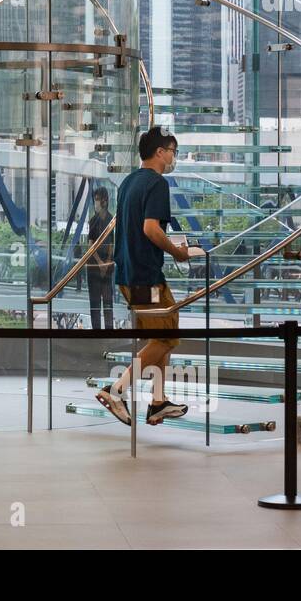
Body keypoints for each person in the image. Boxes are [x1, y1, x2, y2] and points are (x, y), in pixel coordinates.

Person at [95, 126, 191, 427]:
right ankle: (116, 390)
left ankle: (158, 402)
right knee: (166, 337)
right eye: (172, 150)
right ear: (160, 152)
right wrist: (177, 252)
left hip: (129, 272)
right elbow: (151, 229)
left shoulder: (128, 183)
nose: (173, 156)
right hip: (145, 276)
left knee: (163, 335)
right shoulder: (157, 183)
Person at [85, 187, 115, 331]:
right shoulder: (93, 220)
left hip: (106, 266)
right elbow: (91, 246)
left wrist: (106, 262)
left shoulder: (110, 219)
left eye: (97, 199)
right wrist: (101, 263)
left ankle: (109, 329)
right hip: (94, 267)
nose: (95, 203)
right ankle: (96, 331)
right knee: (95, 302)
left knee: (108, 301)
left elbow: (111, 243)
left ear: (104, 201)